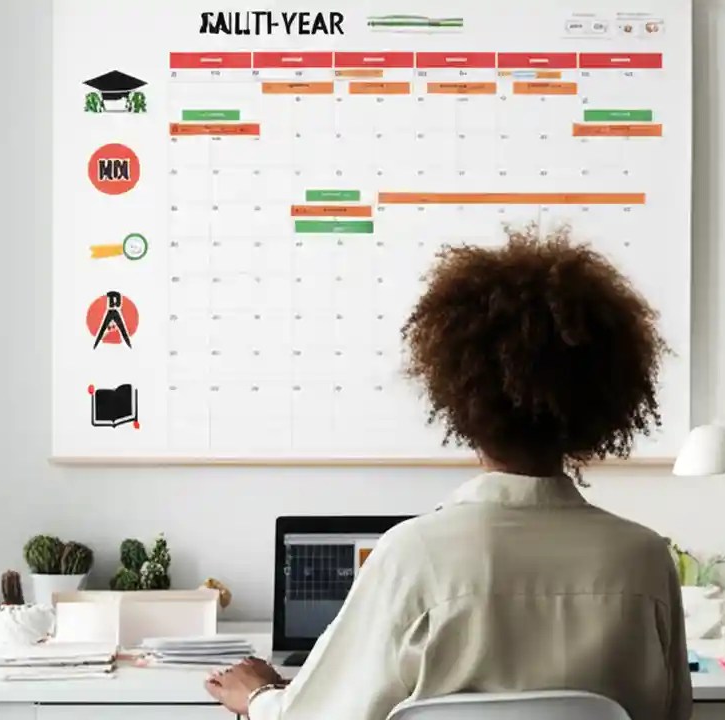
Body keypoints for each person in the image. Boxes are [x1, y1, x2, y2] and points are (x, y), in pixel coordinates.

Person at [205, 226, 692, 720]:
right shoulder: (645, 560)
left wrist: (261, 696)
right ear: (603, 399)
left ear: (462, 400)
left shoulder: (414, 556)